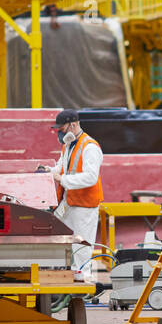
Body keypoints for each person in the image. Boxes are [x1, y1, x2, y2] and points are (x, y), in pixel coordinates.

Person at [48, 109, 103, 271]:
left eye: (61, 128)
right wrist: (48, 171)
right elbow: (61, 167)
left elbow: (90, 177)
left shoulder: (90, 147)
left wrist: (62, 179)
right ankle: (71, 284)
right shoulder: (68, 145)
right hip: (70, 202)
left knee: (82, 249)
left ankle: (83, 287)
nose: (59, 132)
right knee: (68, 245)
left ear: (72, 125)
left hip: (84, 206)